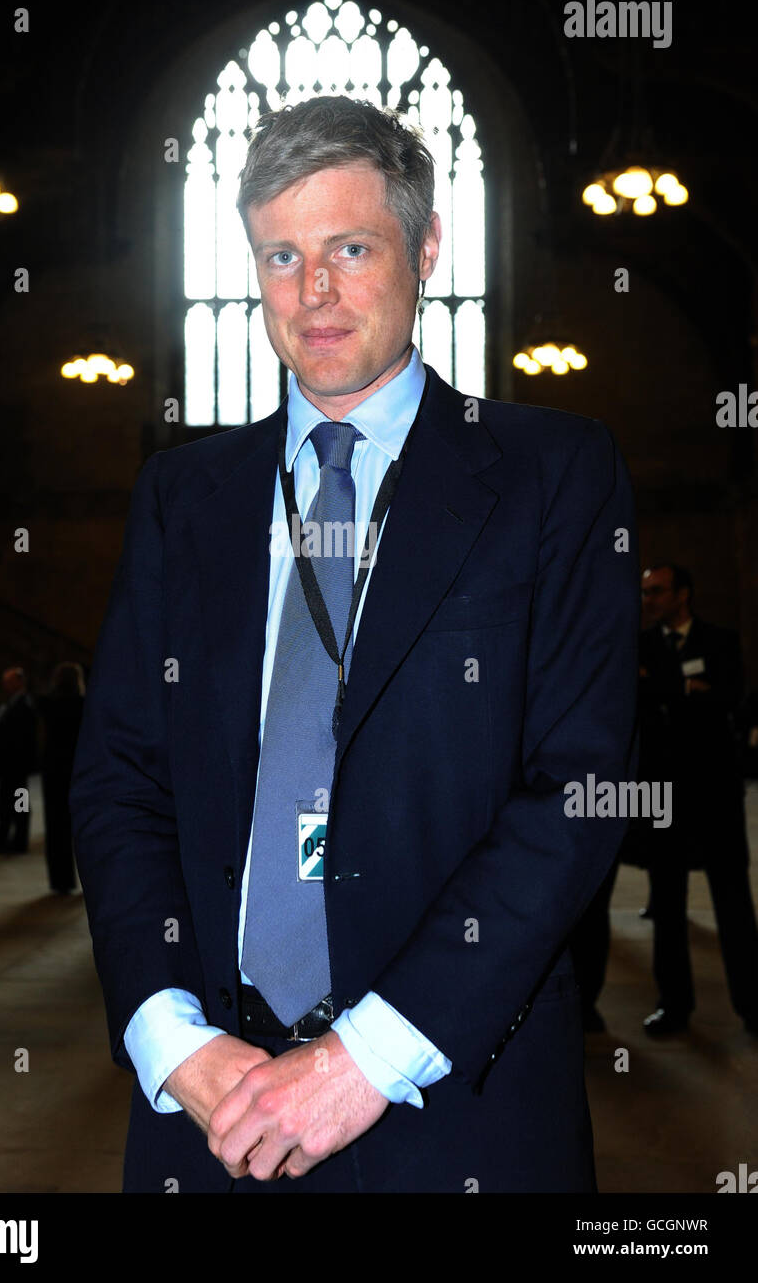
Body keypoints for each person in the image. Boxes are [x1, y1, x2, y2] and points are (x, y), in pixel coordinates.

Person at [70, 95, 640, 1194]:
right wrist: (165, 1033)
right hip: (211, 1108)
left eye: (348, 247)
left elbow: (578, 788)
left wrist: (363, 1058)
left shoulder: (549, 473)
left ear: (426, 248)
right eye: (280, 254)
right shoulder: (183, 495)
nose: (312, 292)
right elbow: (119, 776)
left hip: (451, 1101)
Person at [638, 564, 758, 1036]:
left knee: (733, 903)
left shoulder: (720, 641)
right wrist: (687, 688)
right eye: (646, 592)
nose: (649, 600)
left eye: (658, 591)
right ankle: (674, 1006)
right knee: (668, 906)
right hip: (663, 797)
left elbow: (727, 699)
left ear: (683, 595)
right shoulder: (642, 645)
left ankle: (752, 1004)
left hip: (715, 794)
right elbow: (639, 701)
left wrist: (665, 687)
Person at [0, 666, 37, 855]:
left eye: (9, 681)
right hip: (11, 764)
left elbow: (21, 737)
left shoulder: (24, 704)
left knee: (20, 802)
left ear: (19, 682)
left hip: (16, 764)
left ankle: (18, 839)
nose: (5, 685)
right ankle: (5, 836)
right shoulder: (14, 703)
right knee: (7, 802)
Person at [38, 662, 84, 893]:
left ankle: (60, 881)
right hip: (79, 770)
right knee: (85, 829)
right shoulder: (84, 705)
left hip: (54, 770)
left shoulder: (49, 704)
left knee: (56, 828)